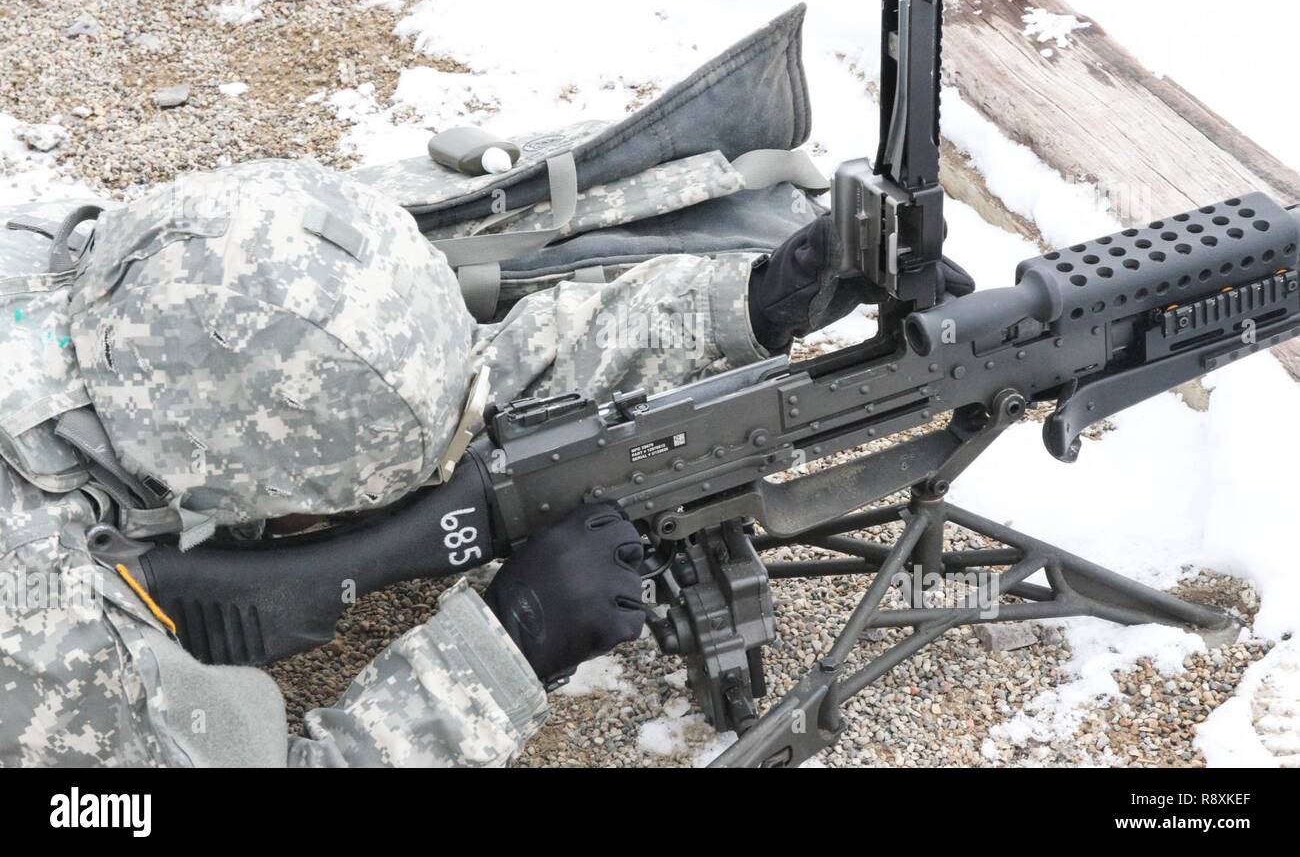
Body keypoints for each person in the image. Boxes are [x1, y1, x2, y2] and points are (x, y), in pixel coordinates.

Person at [0, 156, 914, 767]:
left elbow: (451, 382)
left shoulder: (131, 277)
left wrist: (745, 305)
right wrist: (500, 647)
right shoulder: (42, 634)